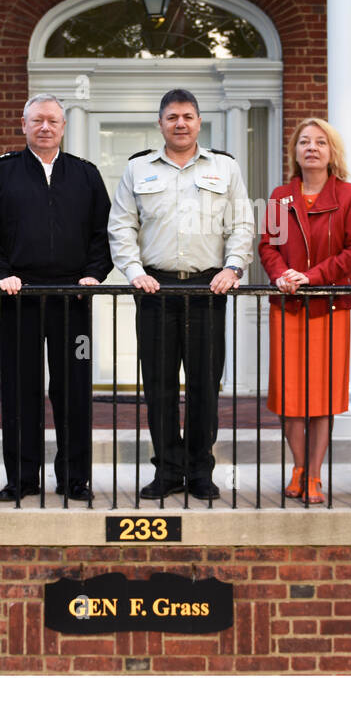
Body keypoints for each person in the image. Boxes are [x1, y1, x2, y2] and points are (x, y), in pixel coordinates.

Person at [107, 89, 254, 502]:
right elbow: (122, 226)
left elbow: (241, 223)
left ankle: (200, 470)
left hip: (208, 287)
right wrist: (134, 272)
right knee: (159, 386)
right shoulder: (138, 170)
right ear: (160, 123)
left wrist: (233, 267)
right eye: (172, 117)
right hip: (154, 289)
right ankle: (168, 470)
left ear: (199, 122)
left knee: (205, 385)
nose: (180, 124)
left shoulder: (224, 167)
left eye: (188, 116)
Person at [0, 94, 111, 503]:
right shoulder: (0, 174)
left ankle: (74, 478)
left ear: (63, 127)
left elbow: (103, 234)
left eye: (52, 120)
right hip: (20, 296)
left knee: (73, 390)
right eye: (37, 121)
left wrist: (93, 273)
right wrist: (0, 275)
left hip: (73, 299)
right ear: (24, 125)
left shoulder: (85, 175)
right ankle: (22, 477)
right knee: (20, 389)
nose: (45, 127)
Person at [259, 118, 351, 504]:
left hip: (330, 304)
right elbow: (268, 247)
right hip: (287, 305)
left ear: (331, 151)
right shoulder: (279, 196)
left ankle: (316, 476)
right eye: (304, 141)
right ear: (295, 151)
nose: (312, 147)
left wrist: (313, 276)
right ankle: (299, 468)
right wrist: (280, 276)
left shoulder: (349, 196)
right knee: (290, 394)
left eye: (320, 142)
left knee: (321, 396)